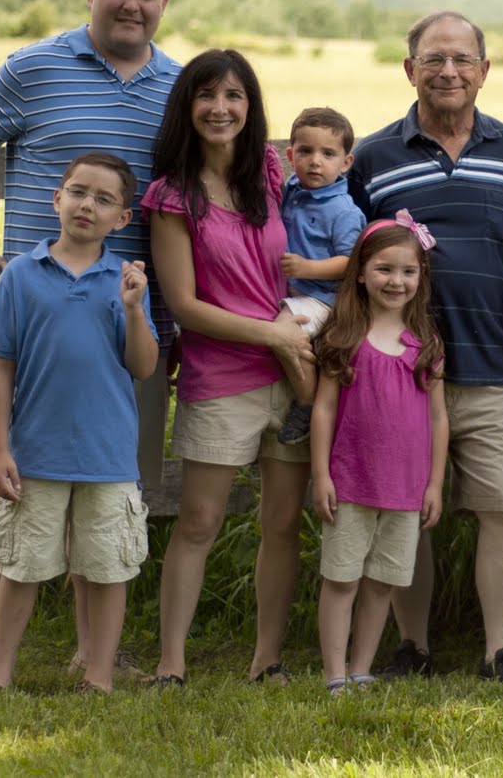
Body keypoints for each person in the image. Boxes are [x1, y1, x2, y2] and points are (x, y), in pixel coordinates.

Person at [0, 0, 179, 679]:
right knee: (20, 480)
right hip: (38, 307)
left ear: (164, 2)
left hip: (126, 315)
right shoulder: (34, 67)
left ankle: (90, 656)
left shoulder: (178, 86)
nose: (131, 3)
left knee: (110, 483)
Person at [348, 10, 503, 680]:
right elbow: (351, 259)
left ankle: (500, 650)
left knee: (502, 507)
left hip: (495, 364)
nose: (448, 71)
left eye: (462, 59)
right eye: (433, 59)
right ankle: (414, 645)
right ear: (410, 70)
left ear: (484, 71)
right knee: (404, 508)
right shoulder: (372, 159)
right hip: (400, 372)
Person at [144, 49, 315, 687]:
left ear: (251, 105)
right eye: (207, 95)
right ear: (187, 107)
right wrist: (270, 333)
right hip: (222, 378)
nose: (221, 108)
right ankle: (171, 663)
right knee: (199, 522)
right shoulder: (171, 197)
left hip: (293, 373)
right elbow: (185, 306)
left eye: (234, 95)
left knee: (281, 523)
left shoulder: (270, 171)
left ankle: (267, 658)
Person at [0, 152, 159, 699]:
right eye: (77, 192)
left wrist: (136, 310)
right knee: (21, 566)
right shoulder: (22, 276)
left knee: (106, 570)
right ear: (56, 198)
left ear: (122, 218)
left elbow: (143, 367)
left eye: (103, 199)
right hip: (37, 452)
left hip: (108, 455)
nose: (86, 205)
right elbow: (0, 366)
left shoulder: (124, 281)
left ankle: (98, 676)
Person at [311, 216, 450, 695]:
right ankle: (335, 674)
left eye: (408, 271)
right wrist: (321, 474)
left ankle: (362, 668)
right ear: (361, 273)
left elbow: (437, 419)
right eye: (384, 269)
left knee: (382, 583)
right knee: (343, 580)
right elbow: (324, 409)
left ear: (420, 277)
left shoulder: (426, 344)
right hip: (350, 481)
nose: (396, 281)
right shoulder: (343, 337)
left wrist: (434, 484)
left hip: (406, 488)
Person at [274, 107, 366, 446]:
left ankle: (308, 404)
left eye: (328, 154)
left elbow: (351, 263)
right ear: (290, 155)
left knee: (285, 333)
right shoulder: (291, 192)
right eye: (305, 151)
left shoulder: (343, 211)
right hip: (292, 291)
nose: (315, 161)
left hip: (322, 297)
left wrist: (307, 268)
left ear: (346, 162)